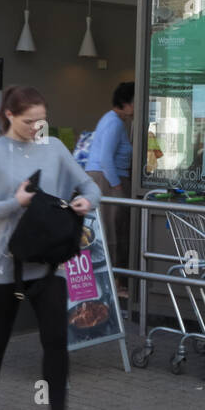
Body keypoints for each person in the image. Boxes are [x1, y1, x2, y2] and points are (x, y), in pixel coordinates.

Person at [0, 85, 100, 410]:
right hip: (3, 265)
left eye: (42, 120)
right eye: (29, 121)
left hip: (47, 261)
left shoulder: (53, 148)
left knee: (56, 339)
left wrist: (88, 200)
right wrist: (14, 202)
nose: (37, 128)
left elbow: (88, 183)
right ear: (9, 115)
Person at [85, 82, 133, 275]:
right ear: (125, 102)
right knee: (112, 230)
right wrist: (117, 185)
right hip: (106, 179)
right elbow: (106, 158)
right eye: (136, 101)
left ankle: (114, 279)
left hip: (103, 178)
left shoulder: (111, 120)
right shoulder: (114, 123)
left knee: (109, 229)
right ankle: (115, 281)